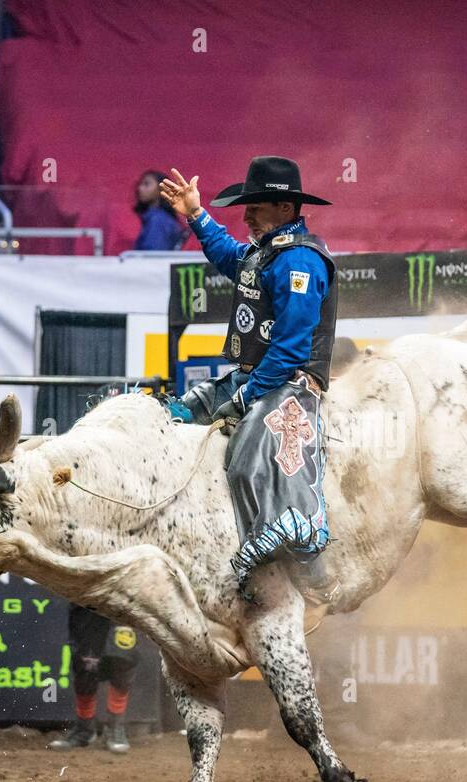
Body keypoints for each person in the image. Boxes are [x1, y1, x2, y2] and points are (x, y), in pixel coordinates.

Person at [158, 156, 338, 600]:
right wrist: (197, 215)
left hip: (291, 384)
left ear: (284, 207)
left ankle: (307, 556)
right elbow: (229, 256)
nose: (245, 214)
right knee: (175, 416)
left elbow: (292, 349)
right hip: (255, 378)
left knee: (244, 459)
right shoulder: (267, 253)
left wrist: (243, 399)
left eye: (255, 204)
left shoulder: (301, 262)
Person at [48, 606, 139, 754]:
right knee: (86, 664)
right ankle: (84, 730)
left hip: (122, 598)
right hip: (88, 600)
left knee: (123, 658)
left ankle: (114, 729)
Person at [132, 169, 187, 251]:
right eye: (140, 184)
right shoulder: (158, 218)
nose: (140, 188)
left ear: (161, 189)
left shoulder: (159, 220)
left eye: (146, 184)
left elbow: (152, 257)